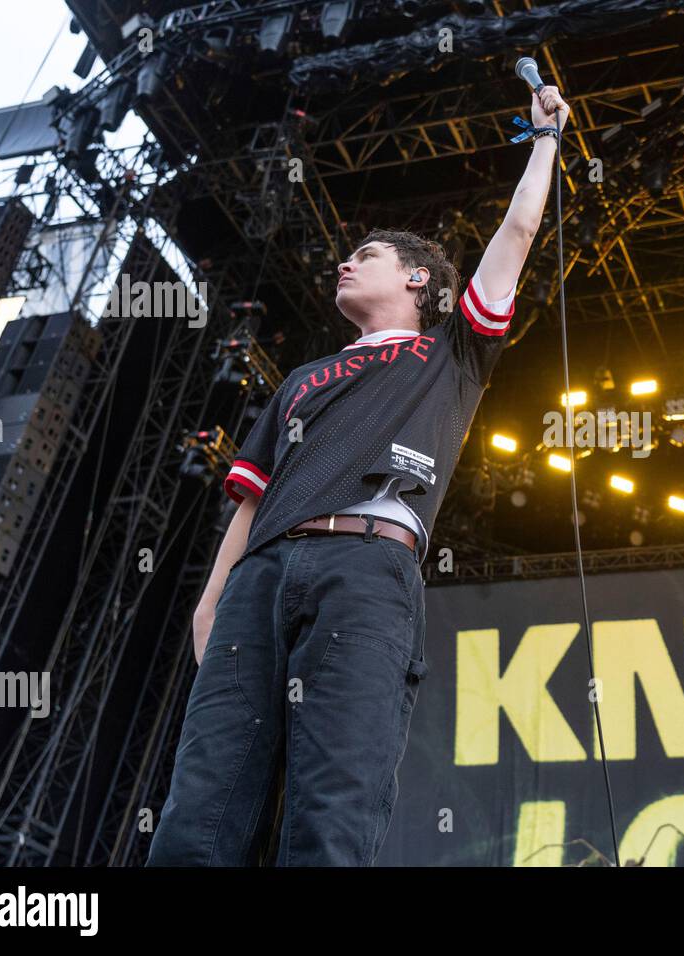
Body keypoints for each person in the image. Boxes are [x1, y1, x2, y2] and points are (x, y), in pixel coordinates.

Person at [146, 85, 570, 866]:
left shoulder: (452, 353)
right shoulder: (300, 380)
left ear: (417, 281)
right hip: (260, 580)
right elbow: (249, 501)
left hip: (368, 569)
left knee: (334, 800)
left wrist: (543, 141)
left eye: (367, 255)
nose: (345, 259)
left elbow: (518, 231)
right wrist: (214, 601)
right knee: (200, 803)